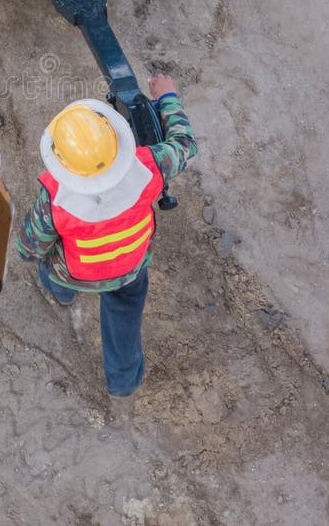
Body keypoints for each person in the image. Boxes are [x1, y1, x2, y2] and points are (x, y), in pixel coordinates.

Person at [16, 75, 197, 396]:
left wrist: (42, 261)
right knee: (124, 324)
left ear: (60, 161)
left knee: (50, 269)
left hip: (72, 273)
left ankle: (62, 294)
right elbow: (185, 144)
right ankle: (123, 383)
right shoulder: (148, 167)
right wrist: (168, 97)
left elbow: (30, 248)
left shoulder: (56, 198)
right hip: (130, 269)